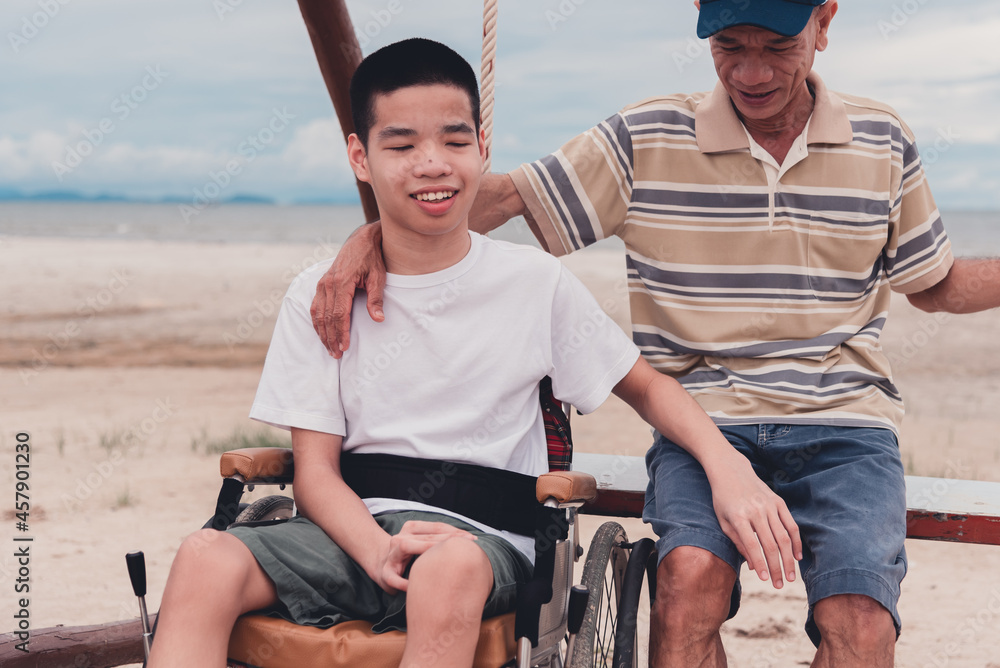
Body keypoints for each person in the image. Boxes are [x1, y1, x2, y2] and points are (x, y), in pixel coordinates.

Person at [311, 3, 1000, 667]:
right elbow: (496, 198)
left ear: (825, 22)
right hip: (703, 423)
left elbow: (933, 284)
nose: (751, 73)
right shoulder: (646, 136)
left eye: (777, 46)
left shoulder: (882, 139)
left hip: (846, 424)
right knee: (688, 581)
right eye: (730, 46)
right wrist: (366, 241)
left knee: (861, 614)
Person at [148, 37, 798, 668]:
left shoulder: (534, 284)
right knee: (206, 556)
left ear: (482, 148)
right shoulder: (321, 295)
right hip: (350, 534)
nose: (432, 163)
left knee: (451, 563)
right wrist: (376, 548)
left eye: (454, 141)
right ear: (360, 156)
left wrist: (727, 466)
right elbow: (315, 474)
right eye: (401, 144)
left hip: (487, 544)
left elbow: (649, 388)